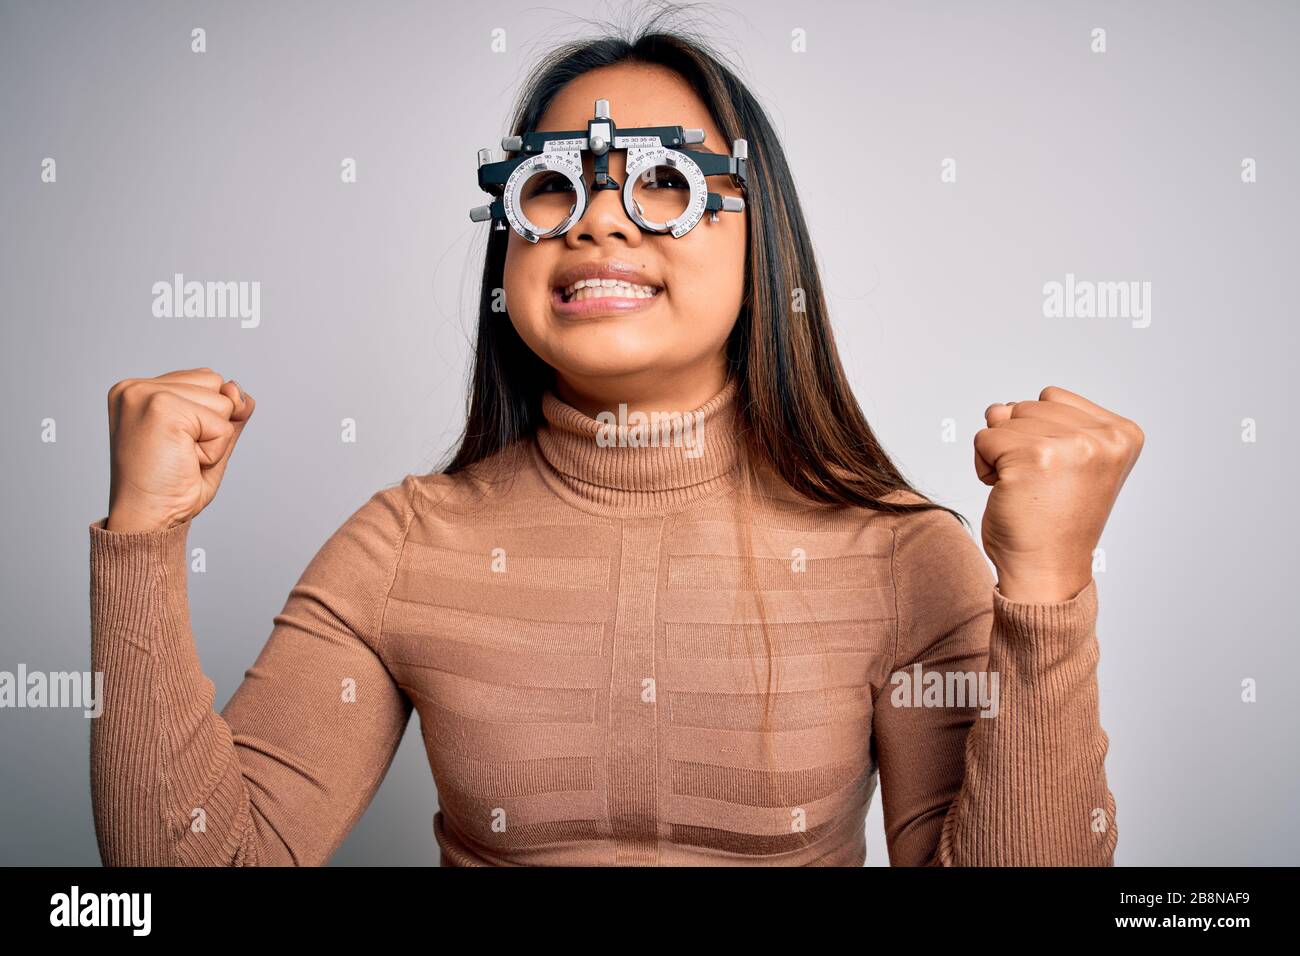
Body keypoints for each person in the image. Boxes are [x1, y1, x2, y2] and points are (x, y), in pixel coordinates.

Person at [89, 21, 1143, 867]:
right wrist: (142, 540)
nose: (598, 220)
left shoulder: (902, 555)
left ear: (757, 232)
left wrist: (1046, 592)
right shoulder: (404, 543)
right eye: (551, 184)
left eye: (660, 181)